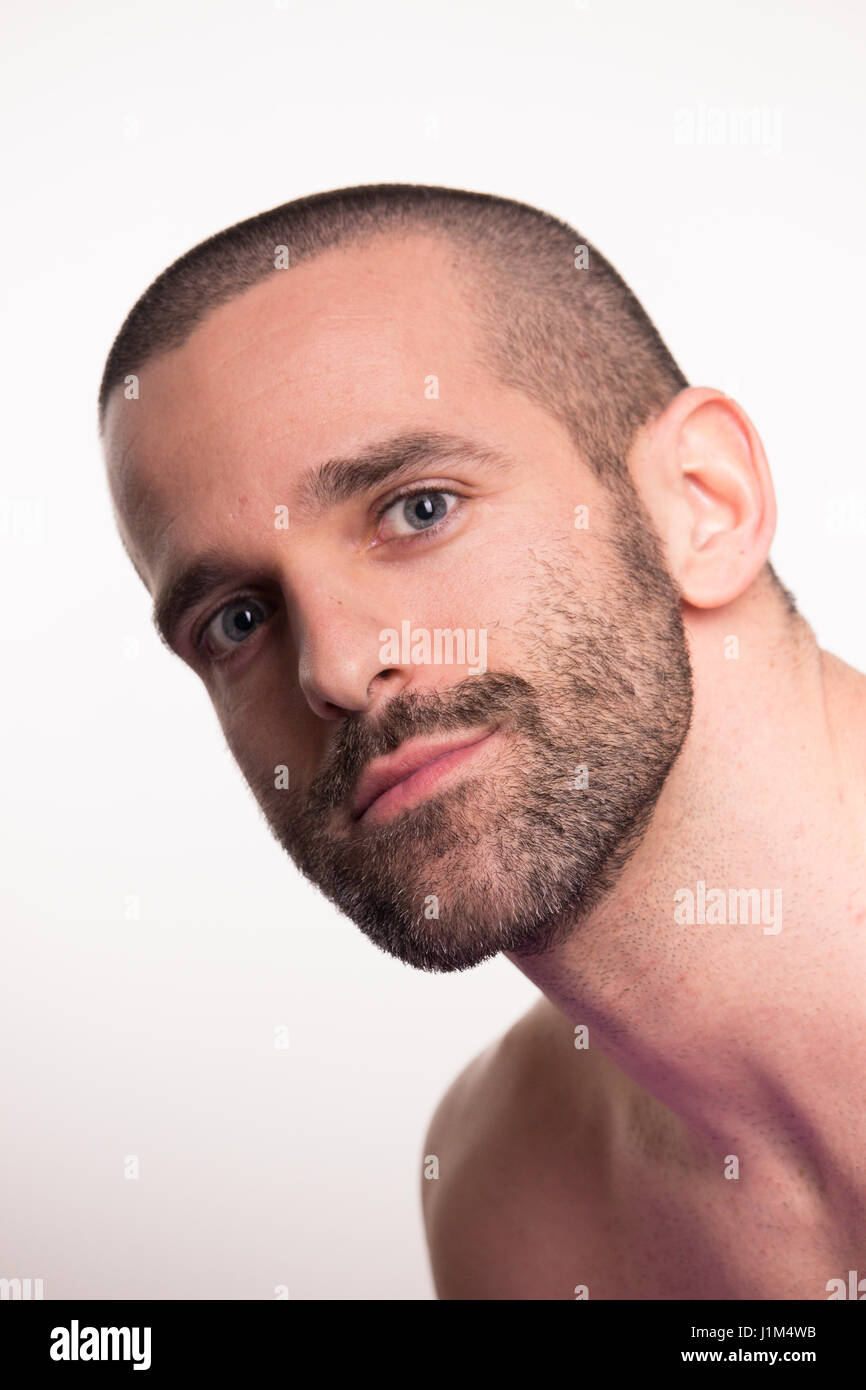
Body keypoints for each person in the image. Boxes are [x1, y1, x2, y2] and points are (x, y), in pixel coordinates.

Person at [99, 184, 866, 1299]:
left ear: (703, 503)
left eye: (416, 509)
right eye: (238, 619)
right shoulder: (506, 1193)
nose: (334, 668)